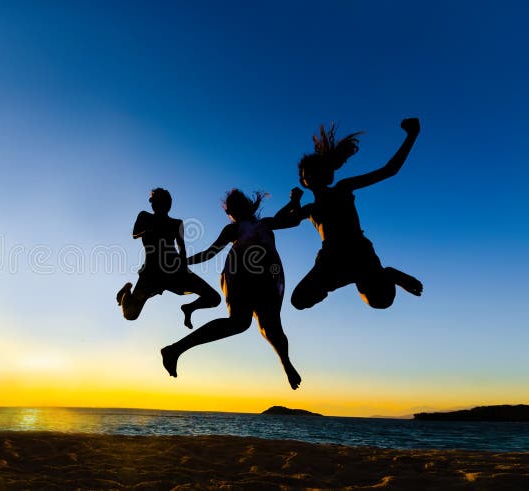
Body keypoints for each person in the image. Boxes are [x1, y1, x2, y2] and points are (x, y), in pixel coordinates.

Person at [160, 188, 303, 390]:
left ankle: (286, 364)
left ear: (246, 206)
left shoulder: (265, 223)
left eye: (235, 206)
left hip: (268, 277)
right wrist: (184, 262)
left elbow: (292, 221)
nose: (233, 212)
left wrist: (295, 201)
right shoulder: (232, 230)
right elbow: (210, 253)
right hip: (241, 274)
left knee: (272, 326)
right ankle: (175, 350)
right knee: (239, 322)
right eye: (230, 209)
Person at [290, 118, 423, 311]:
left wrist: (412, 136)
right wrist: (294, 201)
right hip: (331, 260)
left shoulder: (343, 188)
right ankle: (345, 278)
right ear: (304, 181)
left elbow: (389, 170)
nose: (306, 176)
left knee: (381, 300)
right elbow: (291, 220)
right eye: (304, 174)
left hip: (359, 253)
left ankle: (387, 275)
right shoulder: (310, 209)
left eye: (310, 171)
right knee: (299, 301)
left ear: (324, 173)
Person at [117, 188, 221, 328]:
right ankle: (126, 291)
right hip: (151, 272)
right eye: (154, 201)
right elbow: (135, 233)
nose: (156, 203)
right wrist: (152, 229)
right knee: (130, 314)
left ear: (168, 203)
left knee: (214, 298)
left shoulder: (176, 223)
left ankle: (189, 308)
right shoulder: (145, 216)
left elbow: (182, 248)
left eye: (160, 201)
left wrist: (184, 268)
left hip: (175, 269)